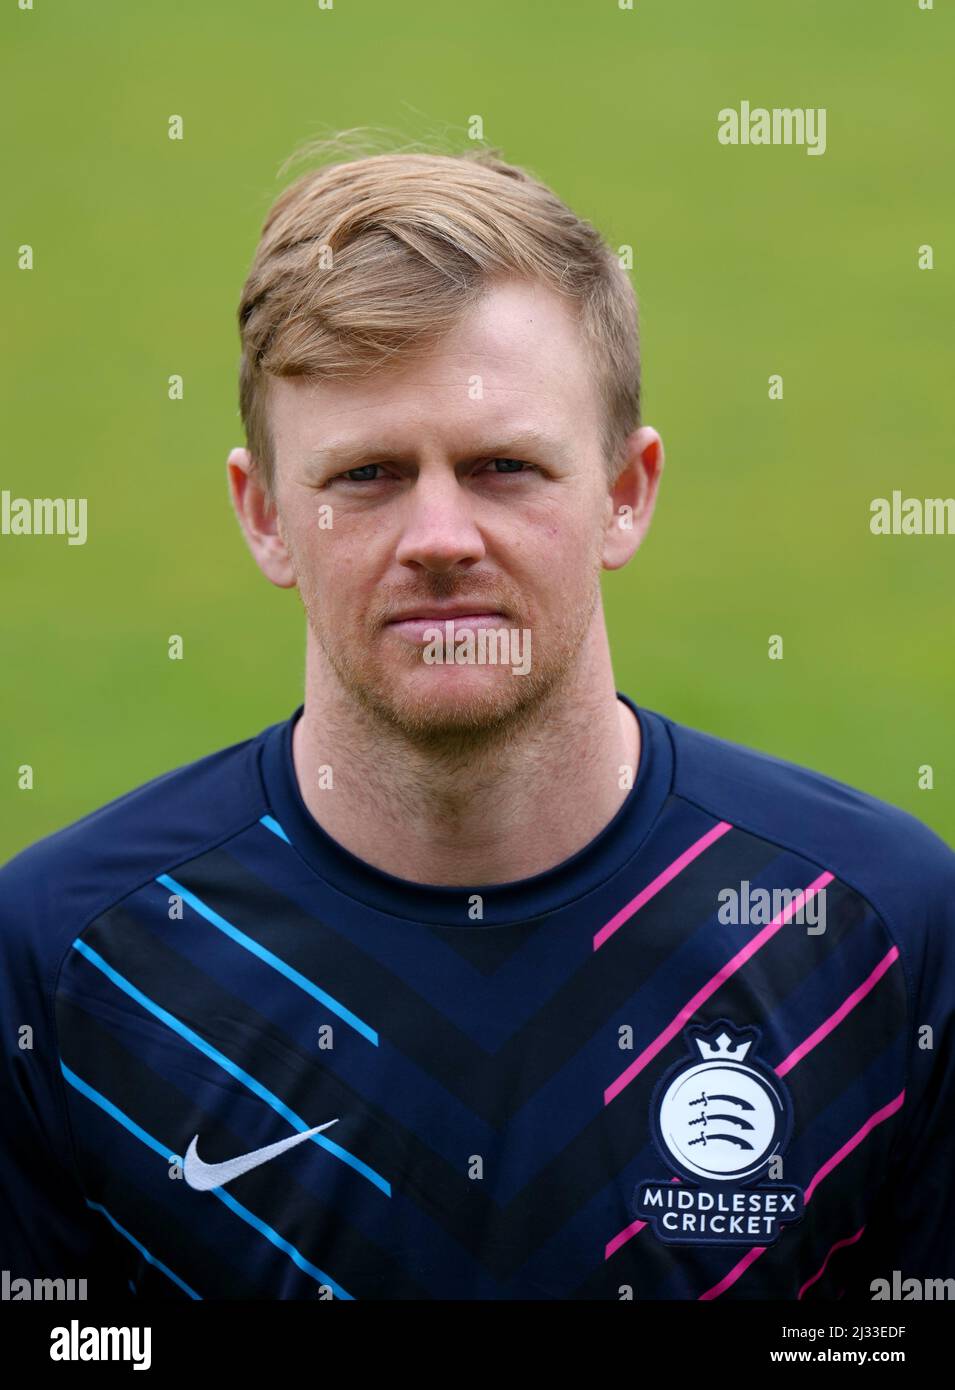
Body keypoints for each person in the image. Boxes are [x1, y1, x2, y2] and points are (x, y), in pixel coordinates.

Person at [1, 143, 952, 1302]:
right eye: (366, 474)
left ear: (624, 492)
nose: (440, 535)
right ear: (263, 516)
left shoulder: (878, 934)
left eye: (503, 465)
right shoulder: (63, 963)